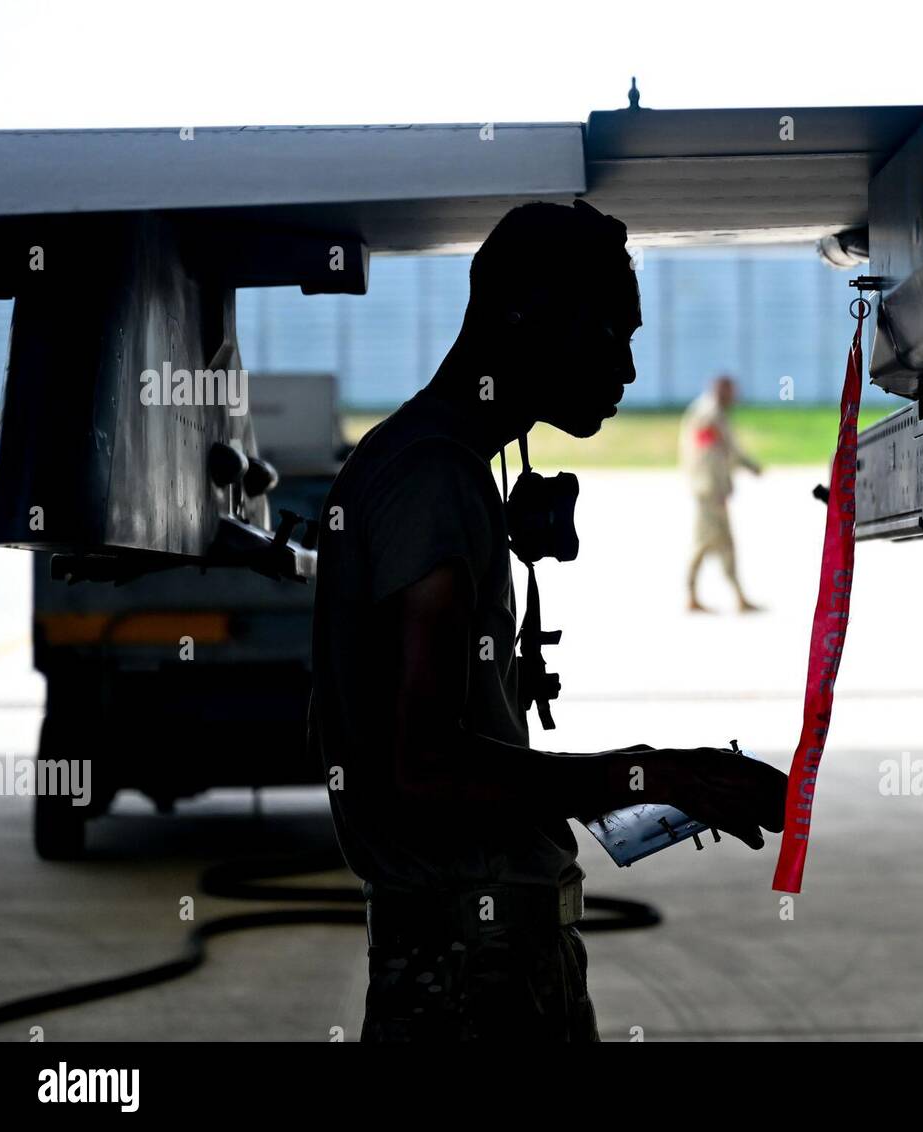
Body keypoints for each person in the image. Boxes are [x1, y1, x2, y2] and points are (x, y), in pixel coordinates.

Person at [308, 201, 786, 1043]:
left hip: (476, 951)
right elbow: (426, 767)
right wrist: (655, 774)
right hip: (476, 975)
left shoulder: (435, 466)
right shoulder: (435, 480)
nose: (628, 370)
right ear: (522, 316)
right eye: (609, 332)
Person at [680, 375, 763, 613]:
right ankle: (698, 595)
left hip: (712, 489)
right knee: (708, 542)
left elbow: (727, 451)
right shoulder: (708, 416)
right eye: (731, 392)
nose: (734, 398)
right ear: (721, 390)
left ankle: (735, 596)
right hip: (709, 490)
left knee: (716, 542)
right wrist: (715, 486)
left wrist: (748, 466)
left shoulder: (714, 413)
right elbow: (706, 457)